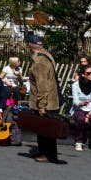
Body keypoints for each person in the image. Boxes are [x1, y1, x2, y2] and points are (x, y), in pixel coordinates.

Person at [26, 32, 61, 163]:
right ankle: (47, 153)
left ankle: (47, 155)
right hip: (51, 101)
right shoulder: (47, 56)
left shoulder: (40, 61)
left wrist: (42, 105)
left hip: (45, 103)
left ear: (30, 45)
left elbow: (42, 85)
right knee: (47, 130)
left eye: (27, 44)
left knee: (45, 130)